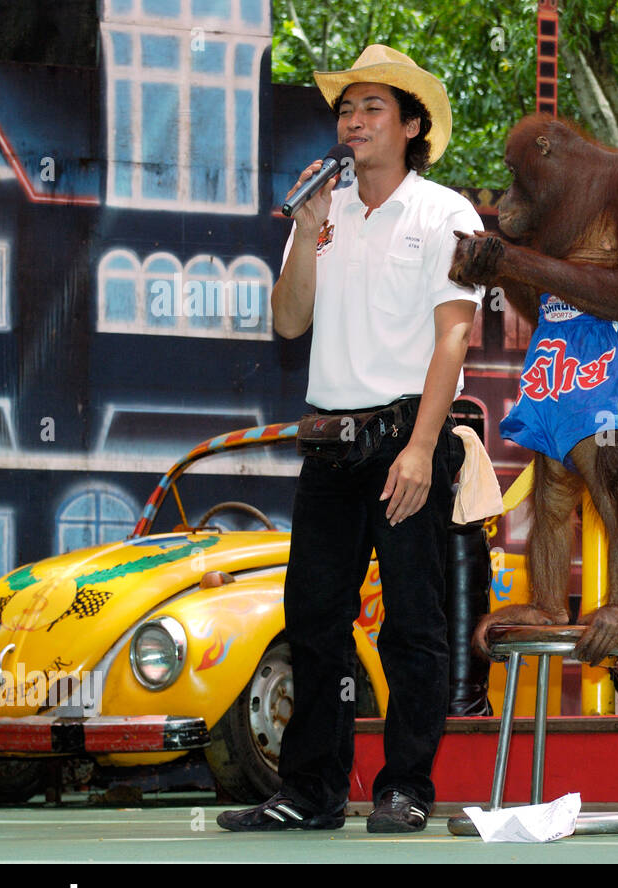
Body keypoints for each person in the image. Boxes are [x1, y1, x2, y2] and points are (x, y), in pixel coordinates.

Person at [218, 45, 482, 833]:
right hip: (330, 443)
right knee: (313, 619)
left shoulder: (447, 213)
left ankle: (406, 786)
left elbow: (454, 339)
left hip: (407, 436)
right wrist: (306, 229)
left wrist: (419, 447)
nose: (354, 121)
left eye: (373, 108)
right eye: (346, 109)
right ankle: (310, 792)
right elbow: (288, 320)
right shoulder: (322, 209)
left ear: (411, 126)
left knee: (412, 621)